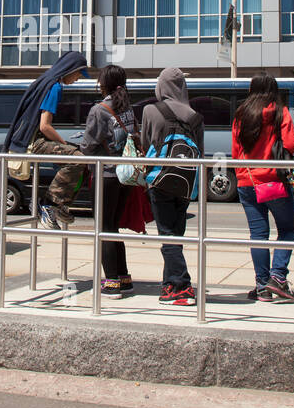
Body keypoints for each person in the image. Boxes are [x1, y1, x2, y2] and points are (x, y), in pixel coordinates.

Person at [0, 51, 91, 230]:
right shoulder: (55, 87)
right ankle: (49, 204)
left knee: (82, 160)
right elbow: (45, 126)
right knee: (78, 158)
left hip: (26, 139)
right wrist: (64, 144)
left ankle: (60, 205)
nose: (78, 79)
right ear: (70, 69)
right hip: (34, 141)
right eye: (79, 74)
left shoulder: (44, 81)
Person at [232, 74, 294, 303]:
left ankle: (262, 286)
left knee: (258, 235)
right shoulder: (281, 111)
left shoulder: (241, 113)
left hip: (247, 180)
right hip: (274, 182)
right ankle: (278, 278)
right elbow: (290, 145)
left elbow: (235, 151)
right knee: (287, 230)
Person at [141, 67, 204, 306]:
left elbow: (146, 143)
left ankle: (181, 285)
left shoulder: (150, 110)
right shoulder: (195, 116)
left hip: (160, 179)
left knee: (167, 234)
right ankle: (169, 284)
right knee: (176, 234)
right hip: (187, 182)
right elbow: (201, 152)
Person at [83, 65, 138, 299]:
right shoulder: (128, 110)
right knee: (114, 226)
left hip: (106, 175)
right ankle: (124, 277)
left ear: (103, 83)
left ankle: (112, 282)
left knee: (104, 228)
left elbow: (87, 145)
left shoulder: (98, 110)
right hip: (126, 176)